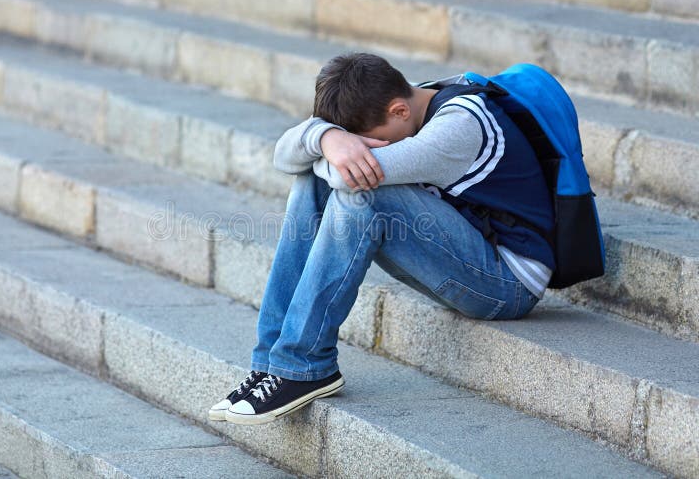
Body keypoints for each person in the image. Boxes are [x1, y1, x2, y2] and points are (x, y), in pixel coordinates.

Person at [209, 52, 555, 425]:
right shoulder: (407, 103)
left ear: (399, 111)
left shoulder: (459, 127)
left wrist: (330, 146)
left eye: (371, 142)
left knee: (365, 191)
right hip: (465, 252)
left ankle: (304, 364)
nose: (363, 148)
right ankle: (271, 364)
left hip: (507, 282)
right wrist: (326, 136)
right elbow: (284, 156)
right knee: (313, 178)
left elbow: (346, 178)